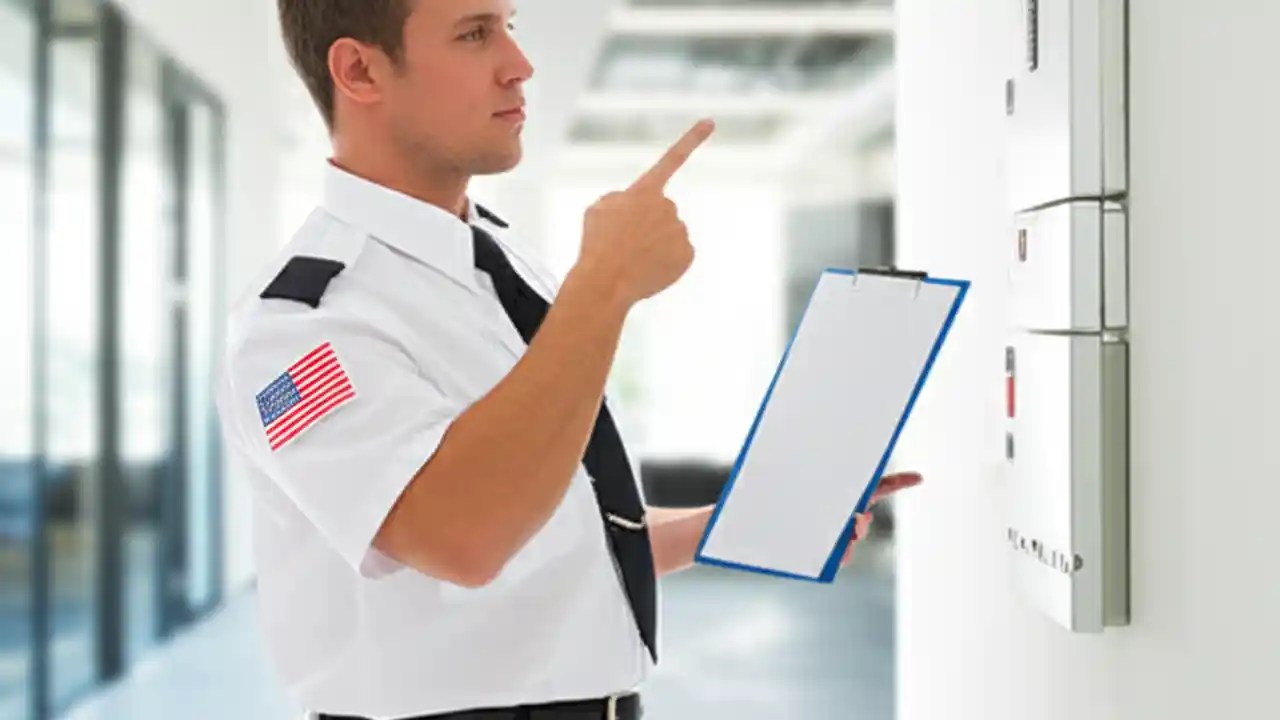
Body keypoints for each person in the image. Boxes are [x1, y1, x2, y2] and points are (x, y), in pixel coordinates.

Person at [214, 1, 924, 718]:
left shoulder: (504, 266)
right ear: (360, 70)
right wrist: (606, 286)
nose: (519, 66)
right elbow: (462, 537)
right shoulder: (301, 324)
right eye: (473, 34)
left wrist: (755, 522)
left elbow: (568, 529)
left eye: (508, 27)